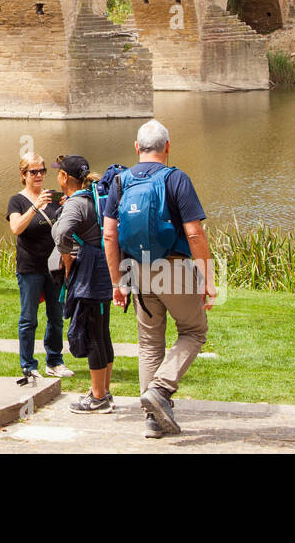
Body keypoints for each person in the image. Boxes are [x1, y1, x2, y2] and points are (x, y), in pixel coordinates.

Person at [103, 119, 214, 439]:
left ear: (137, 148)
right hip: (173, 268)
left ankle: (153, 420)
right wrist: (207, 278)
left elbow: (110, 236)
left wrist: (117, 282)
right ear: (167, 147)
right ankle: (161, 391)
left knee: (150, 343)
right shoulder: (176, 179)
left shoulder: (120, 182)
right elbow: (194, 232)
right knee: (193, 331)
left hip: (137, 271)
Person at [50, 154, 114, 412]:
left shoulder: (76, 204)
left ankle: (98, 397)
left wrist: (66, 260)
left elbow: (63, 233)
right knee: (102, 332)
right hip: (103, 270)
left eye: (58, 172)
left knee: (93, 335)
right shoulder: (93, 198)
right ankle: (104, 392)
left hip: (90, 275)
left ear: (65, 177)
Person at [7, 153, 72, 379]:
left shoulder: (52, 198)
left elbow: (62, 229)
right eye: (33, 172)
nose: (39, 176)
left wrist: (66, 206)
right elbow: (16, 228)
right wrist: (35, 206)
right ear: (23, 175)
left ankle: (55, 361)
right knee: (29, 318)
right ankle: (28, 365)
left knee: (56, 315)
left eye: (42, 171)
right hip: (30, 266)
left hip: (54, 267)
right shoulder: (18, 201)